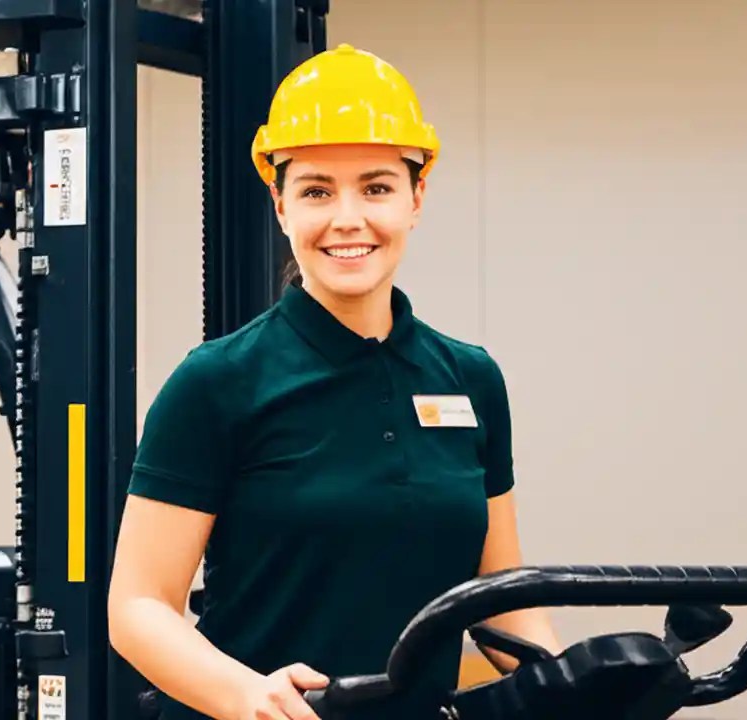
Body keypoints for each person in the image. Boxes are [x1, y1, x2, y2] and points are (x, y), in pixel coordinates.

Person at [106, 43, 561, 720]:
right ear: (281, 206)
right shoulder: (218, 382)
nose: (347, 218)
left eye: (376, 187)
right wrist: (248, 697)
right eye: (317, 190)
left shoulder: (471, 379)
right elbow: (138, 607)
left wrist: (569, 683)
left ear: (416, 197)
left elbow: (497, 591)